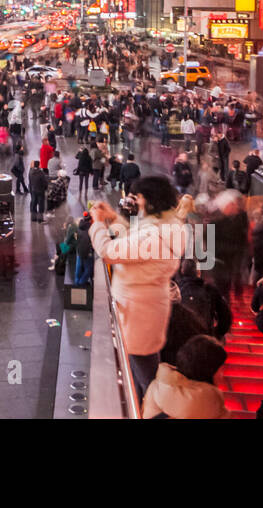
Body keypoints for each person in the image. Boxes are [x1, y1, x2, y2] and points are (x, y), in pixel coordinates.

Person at [89, 175, 187, 404]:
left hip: (138, 311)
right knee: (144, 364)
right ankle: (146, 403)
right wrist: (113, 218)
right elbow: (136, 243)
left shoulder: (155, 234)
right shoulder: (169, 226)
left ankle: (153, 408)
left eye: (139, 197)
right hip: (149, 305)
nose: (137, 201)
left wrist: (97, 223)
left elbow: (109, 252)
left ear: (150, 200)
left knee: (144, 370)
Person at [141, 334, 230, 420]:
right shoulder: (208, 400)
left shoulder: (158, 384)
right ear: (208, 370)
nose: (222, 375)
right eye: (221, 369)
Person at [174, 259, 232, 340]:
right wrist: (216, 333)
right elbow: (225, 317)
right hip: (204, 338)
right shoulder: (210, 290)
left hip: (181, 339)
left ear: (182, 271)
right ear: (199, 272)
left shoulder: (175, 290)